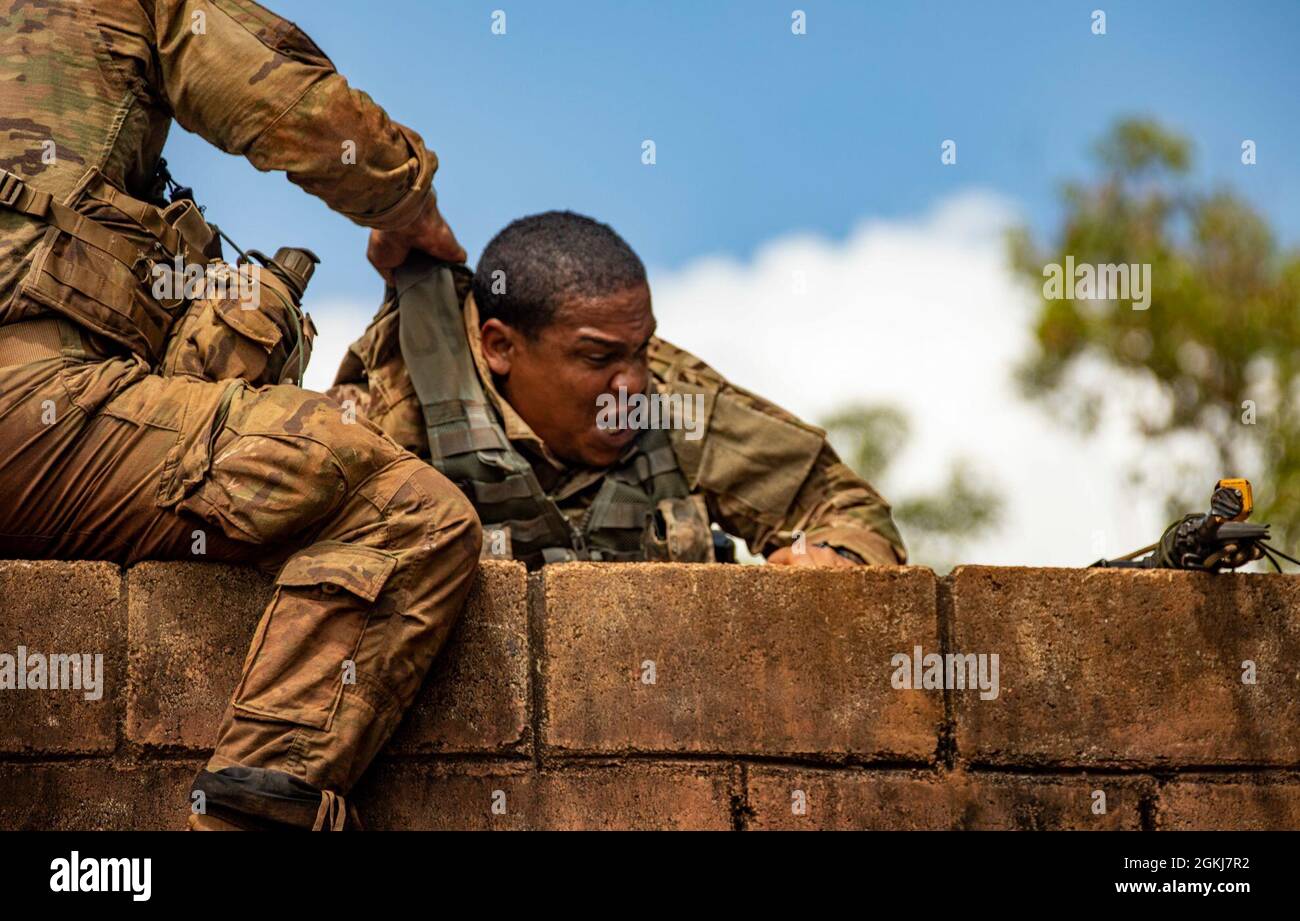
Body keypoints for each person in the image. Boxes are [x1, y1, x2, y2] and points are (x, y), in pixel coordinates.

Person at [0, 0, 481, 830]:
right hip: (30, 412)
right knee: (408, 513)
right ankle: (250, 815)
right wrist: (408, 208)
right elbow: (287, 102)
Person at [329, 211, 908, 570]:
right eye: (598, 357)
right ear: (500, 347)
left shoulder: (674, 400)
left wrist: (833, 557)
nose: (631, 383)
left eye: (640, 349)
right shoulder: (392, 411)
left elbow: (843, 506)